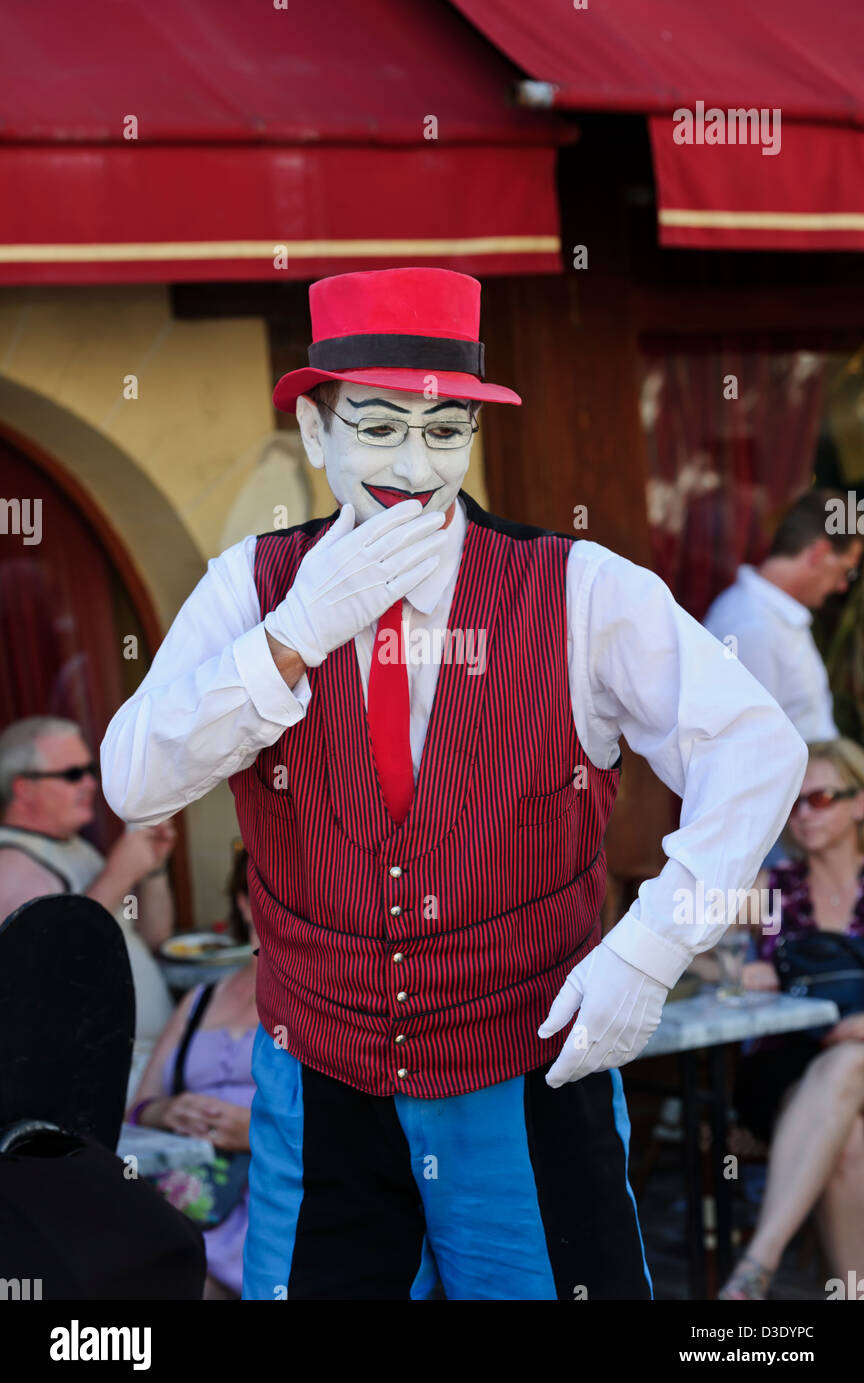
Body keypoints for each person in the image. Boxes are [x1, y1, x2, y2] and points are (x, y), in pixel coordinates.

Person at [100, 266, 807, 1301]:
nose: (413, 464)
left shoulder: (579, 586)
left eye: (445, 432)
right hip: (317, 1079)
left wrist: (653, 949)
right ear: (316, 432)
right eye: (379, 426)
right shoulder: (248, 587)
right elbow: (134, 780)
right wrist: (295, 635)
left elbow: (758, 747)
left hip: (527, 1072)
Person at [707, 739, 864, 1299]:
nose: (804, 814)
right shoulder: (770, 891)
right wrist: (735, 972)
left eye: (820, 798)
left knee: (851, 1099)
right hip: (784, 1067)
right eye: (795, 802)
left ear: (859, 803)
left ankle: (756, 1267)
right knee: (850, 1110)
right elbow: (682, 951)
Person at [127, 844, 257, 1300]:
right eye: (263, 893)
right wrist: (167, 1111)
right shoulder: (201, 999)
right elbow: (136, 1113)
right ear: (243, 902)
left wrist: (257, 1131)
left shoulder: (325, 1000)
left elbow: (359, 1131)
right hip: (197, 1200)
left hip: (282, 1202)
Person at [0, 715, 175, 1046]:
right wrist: (118, 875)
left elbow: (155, 939)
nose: (91, 784)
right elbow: (49, 965)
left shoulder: (75, 846)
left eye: (89, 771)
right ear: (24, 788)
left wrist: (152, 869)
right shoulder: (11, 863)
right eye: (72, 774)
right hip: (102, 1075)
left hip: (146, 1061)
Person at [703, 489, 862, 742]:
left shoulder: (772, 617)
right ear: (818, 553)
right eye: (847, 571)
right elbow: (746, 746)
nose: (843, 586)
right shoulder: (752, 624)